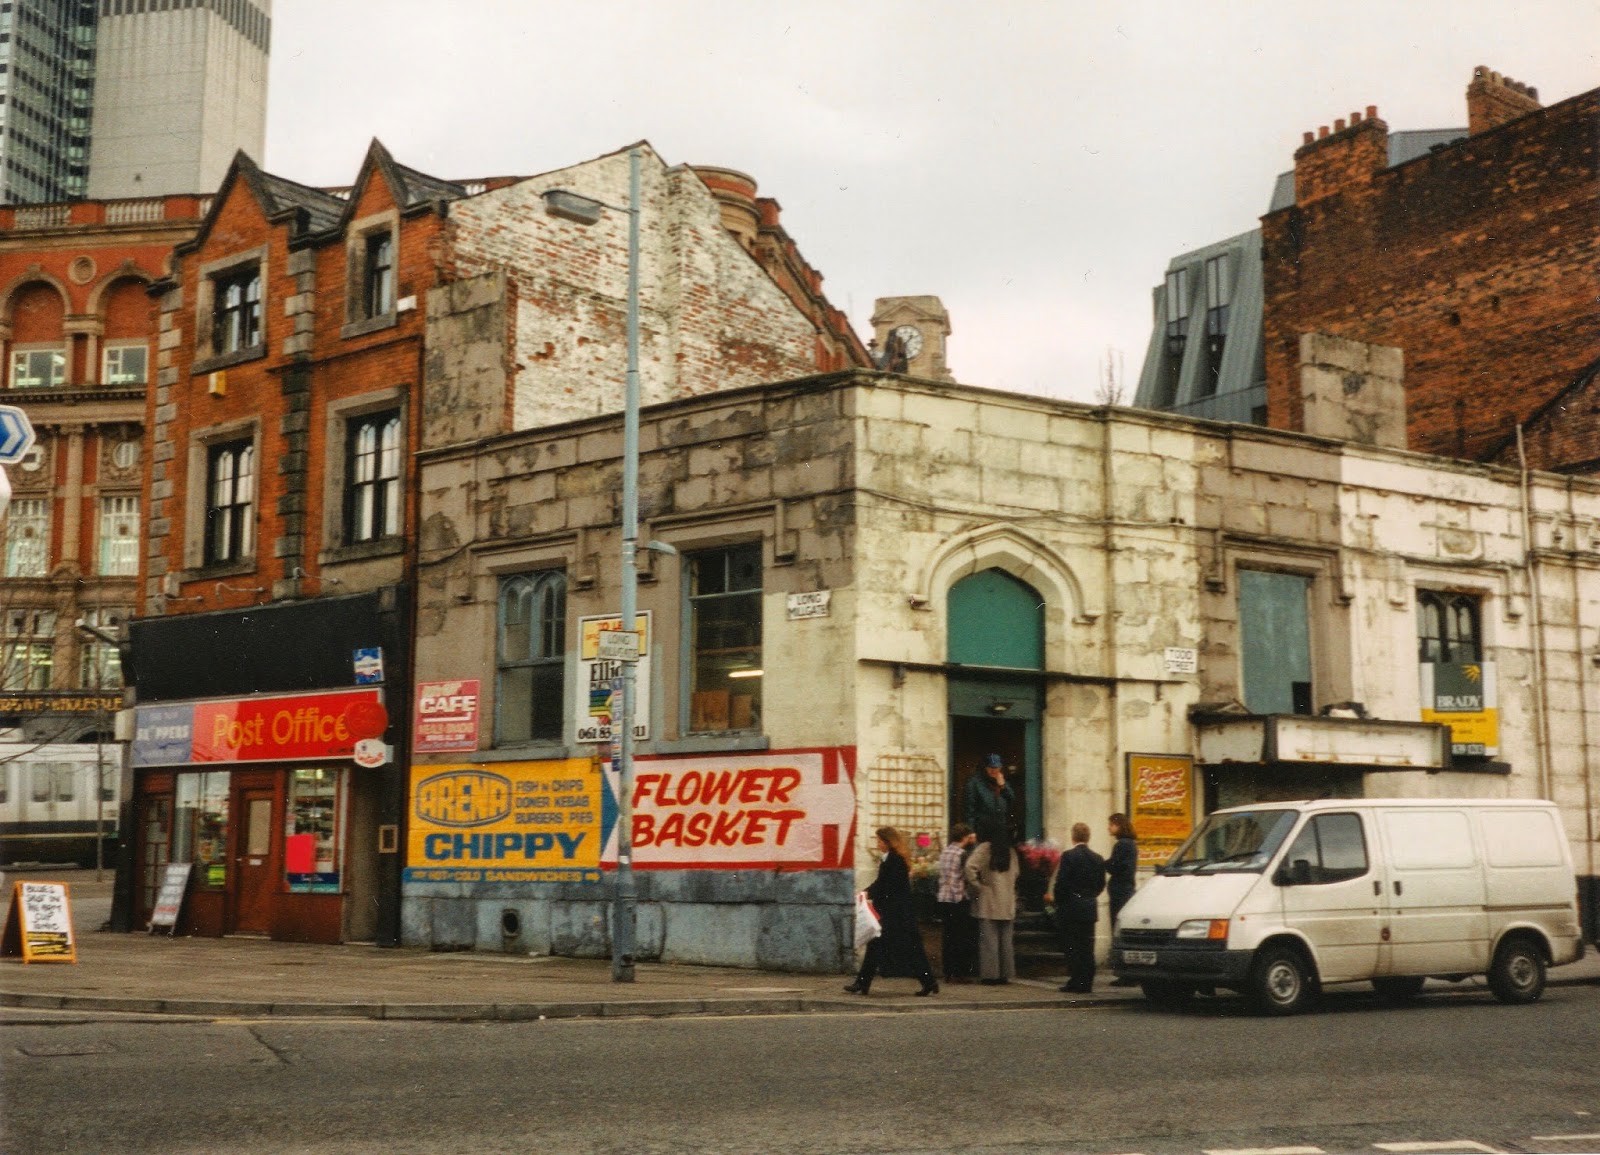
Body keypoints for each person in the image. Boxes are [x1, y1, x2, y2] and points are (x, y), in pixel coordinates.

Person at [844, 827, 938, 997]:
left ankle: (929, 982)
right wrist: (867, 891)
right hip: (894, 913)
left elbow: (887, 886)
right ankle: (862, 983)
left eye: (880, 841)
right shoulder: (890, 859)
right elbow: (881, 883)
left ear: (888, 842)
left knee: (909, 949)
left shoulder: (895, 860)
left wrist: (868, 892)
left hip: (896, 914)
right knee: (883, 946)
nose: (878, 844)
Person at [964, 818, 1020, 985]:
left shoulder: (985, 848)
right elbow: (1017, 873)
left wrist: (978, 886)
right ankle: (1005, 973)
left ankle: (990, 975)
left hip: (988, 899)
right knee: (1006, 941)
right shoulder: (1011, 851)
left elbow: (969, 867)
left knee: (989, 940)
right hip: (1007, 899)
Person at [1052, 821, 1106, 993]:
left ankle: (1076, 981)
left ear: (1073, 837)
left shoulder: (1068, 856)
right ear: (1088, 837)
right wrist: (1090, 897)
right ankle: (1087, 982)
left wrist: (1058, 900)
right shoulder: (1098, 858)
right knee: (1087, 946)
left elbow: (1062, 883)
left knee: (1072, 946)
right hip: (1089, 906)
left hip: (1071, 906)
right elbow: (1101, 884)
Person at [936, 824, 978, 981]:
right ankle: (960, 973)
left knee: (948, 936)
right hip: (958, 897)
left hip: (944, 897)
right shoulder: (963, 854)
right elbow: (968, 874)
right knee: (961, 937)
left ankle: (948, 972)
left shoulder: (945, 851)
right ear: (965, 837)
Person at [1105, 812, 1140, 986]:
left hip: (1120, 891)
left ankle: (1127, 974)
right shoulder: (1130, 844)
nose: (1108, 828)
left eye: (1111, 824)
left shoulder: (1122, 845)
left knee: (1118, 930)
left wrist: (1103, 863)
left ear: (1119, 825)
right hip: (1125, 889)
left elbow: (1115, 866)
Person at [963, 753, 1015, 834]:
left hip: (1000, 829)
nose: (993, 770)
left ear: (1000, 768)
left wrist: (1003, 787)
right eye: (991, 768)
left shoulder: (1002, 782)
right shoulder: (974, 783)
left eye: (996, 768)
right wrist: (971, 832)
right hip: (981, 830)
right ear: (985, 768)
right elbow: (969, 811)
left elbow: (1011, 800)